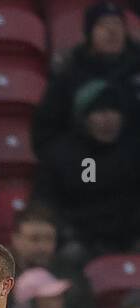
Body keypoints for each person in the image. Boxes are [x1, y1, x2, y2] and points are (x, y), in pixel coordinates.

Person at [33, 80, 140, 261]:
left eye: (114, 111)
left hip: (128, 240)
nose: (109, 119)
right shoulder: (61, 156)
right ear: (83, 117)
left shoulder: (132, 153)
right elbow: (46, 204)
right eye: (99, 111)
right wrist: (68, 236)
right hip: (78, 243)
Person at [32, 1, 140, 157]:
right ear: (89, 33)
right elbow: (46, 132)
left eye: (117, 24)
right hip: (86, 164)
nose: (112, 31)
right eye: (103, 25)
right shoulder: (70, 76)